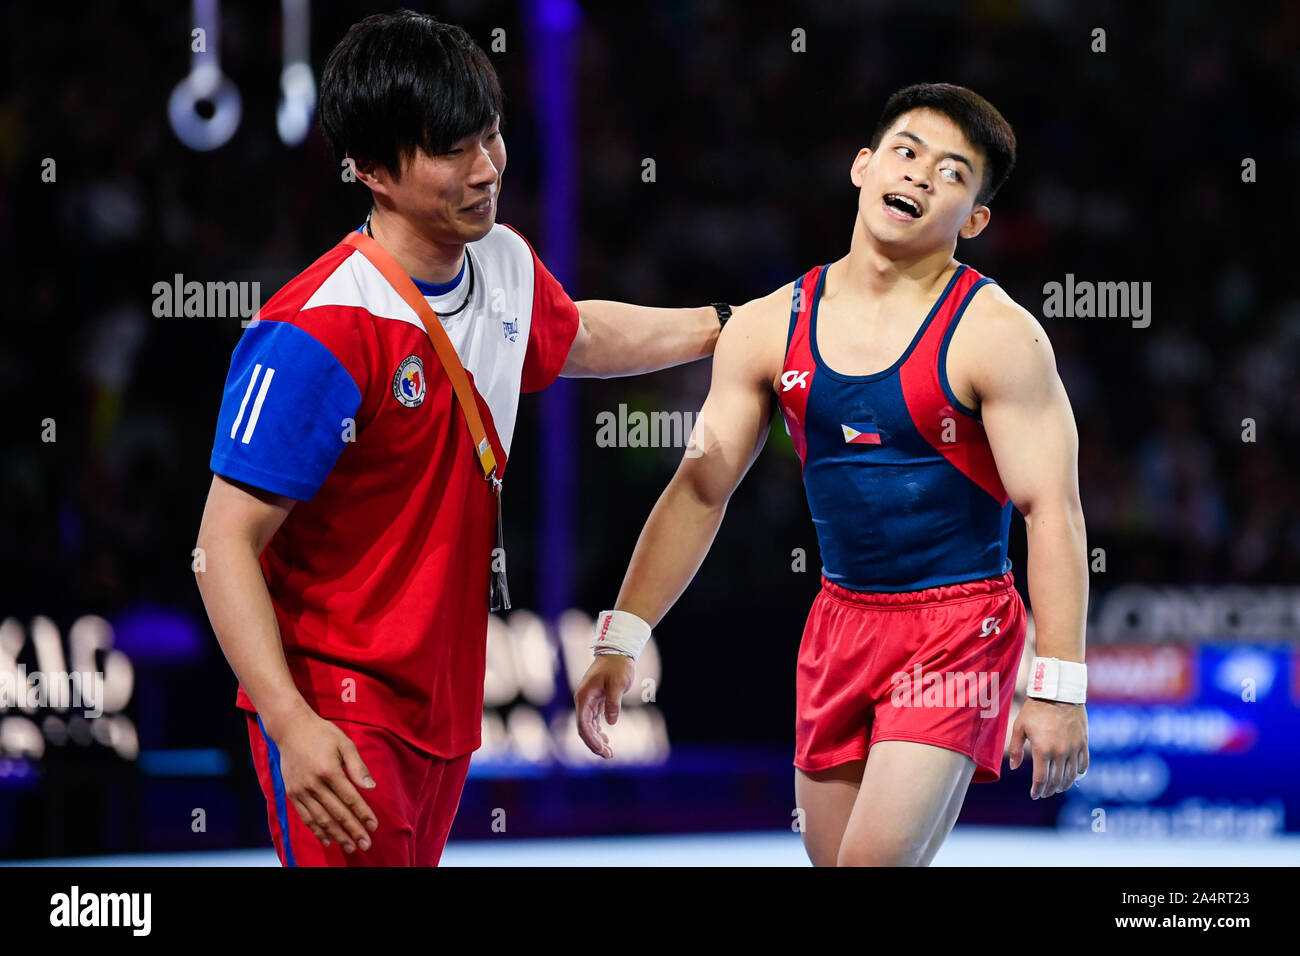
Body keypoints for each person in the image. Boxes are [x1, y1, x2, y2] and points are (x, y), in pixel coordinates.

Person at [194, 11, 725, 867]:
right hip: (340, 706)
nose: (486, 170)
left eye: (492, 137)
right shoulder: (319, 331)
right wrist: (291, 723)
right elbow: (223, 543)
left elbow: (576, 336)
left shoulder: (504, 263)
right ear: (371, 171)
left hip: (442, 708)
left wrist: (724, 326)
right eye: (452, 151)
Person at [574, 83, 1090, 866]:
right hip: (840, 623)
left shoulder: (997, 336)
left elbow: (1052, 509)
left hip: (959, 627)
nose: (918, 177)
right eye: (906, 153)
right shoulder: (766, 326)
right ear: (863, 165)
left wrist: (1058, 686)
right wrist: (623, 635)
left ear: (975, 220)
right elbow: (700, 488)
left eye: (951, 173)